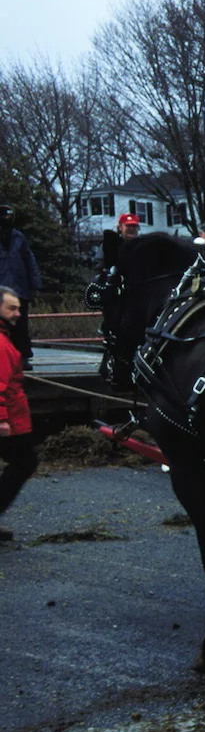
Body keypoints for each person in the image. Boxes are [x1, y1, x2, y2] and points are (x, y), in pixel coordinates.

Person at [0, 286, 37, 542]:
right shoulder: (1, 343)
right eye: (11, 308)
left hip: (12, 415)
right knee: (25, 462)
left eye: (19, 308)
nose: (18, 313)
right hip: (9, 418)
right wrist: (1, 418)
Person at [0, 205, 42, 371]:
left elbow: (29, 260)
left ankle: (22, 356)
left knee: (20, 325)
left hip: (19, 289)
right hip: (2, 289)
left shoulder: (19, 237)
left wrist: (35, 284)